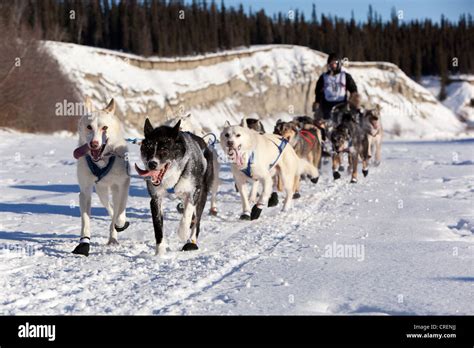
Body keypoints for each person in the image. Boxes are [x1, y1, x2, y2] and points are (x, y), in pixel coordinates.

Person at [313, 53, 358, 122]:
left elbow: (353, 90)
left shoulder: (345, 76)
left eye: (334, 63)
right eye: (331, 64)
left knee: (344, 122)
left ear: (338, 64)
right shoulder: (323, 77)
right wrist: (317, 102)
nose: (333, 66)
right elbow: (318, 91)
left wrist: (353, 101)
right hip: (327, 105)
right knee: (325, 123)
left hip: (342, 104)